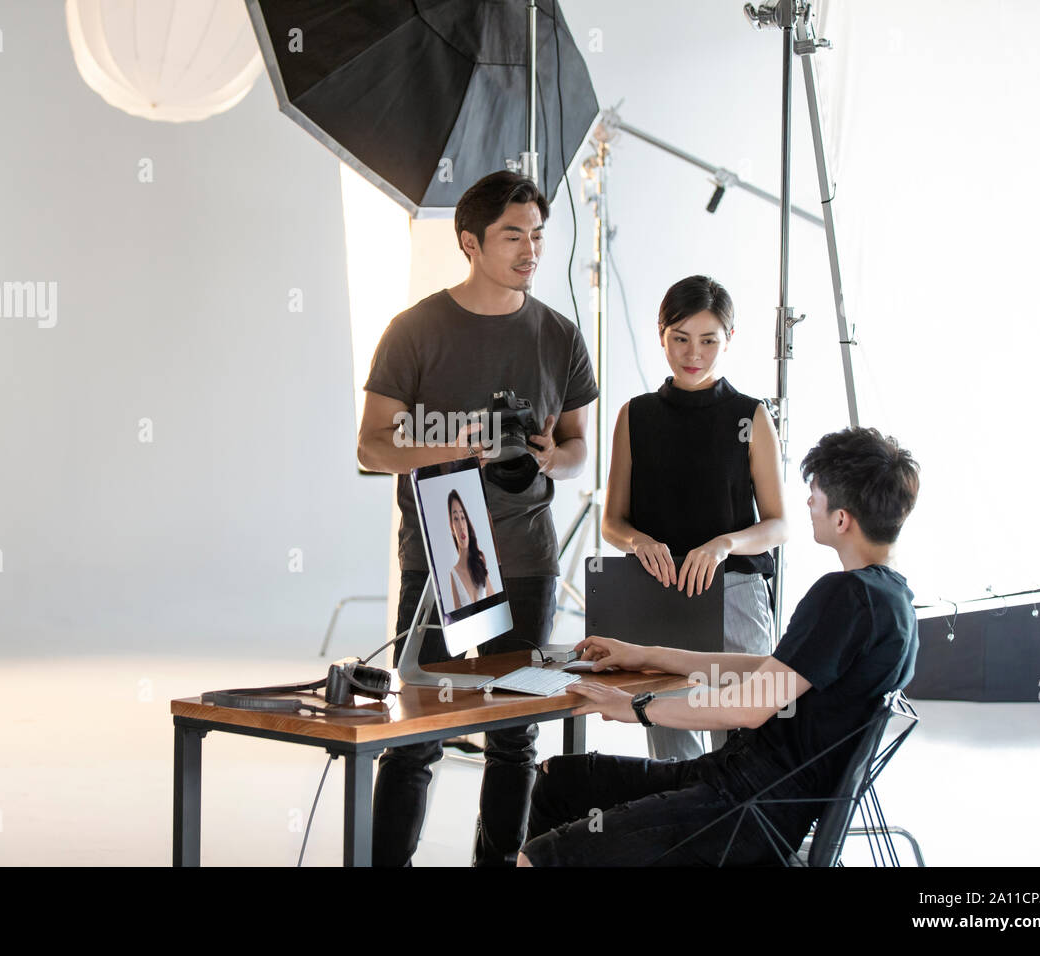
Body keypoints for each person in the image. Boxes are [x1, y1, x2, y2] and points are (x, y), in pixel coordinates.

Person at [518, 426, 921, 866]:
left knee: (541, 859)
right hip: (737, 786)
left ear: (842, 519)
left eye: (816, 494)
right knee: (558, 782)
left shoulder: (845, 596)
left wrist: (636, 707)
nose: (808, 502)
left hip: (741, 812)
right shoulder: (891, 602)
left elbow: (748, 707)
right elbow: (766, 670)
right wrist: (645, 654)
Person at [357, 170, 599, 866]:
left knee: (514, 731)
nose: (531, 250)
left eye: (540, 235)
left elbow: (580, 449)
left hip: (526, 556)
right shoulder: (416, 330)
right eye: (513, 235)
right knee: (417, 732)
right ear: (470, 242)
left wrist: (554, 457)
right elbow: (372, 445)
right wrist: (461, 447)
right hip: (438, 555)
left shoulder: (559, 335)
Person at [601, 274, 789, 763]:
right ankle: (683, 839)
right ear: (660, 334)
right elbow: (612, 522)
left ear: (730, 339)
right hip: (661, 595)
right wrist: (637, 541)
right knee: (669, 742)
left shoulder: (751, 416)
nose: (693, 354)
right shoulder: (635, 416)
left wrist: (723, 543)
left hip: (736, 595)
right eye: (680, 338)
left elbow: (778, 524)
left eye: (709, 340)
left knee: (742, 742)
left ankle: (745, 840)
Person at [446, 490, 495, 610]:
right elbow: (459, 618)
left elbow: (496, 603)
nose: (461, 526)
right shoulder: (454, 574)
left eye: (462, 517)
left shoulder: (479, 563)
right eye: (456, 519)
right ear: (452, 527)